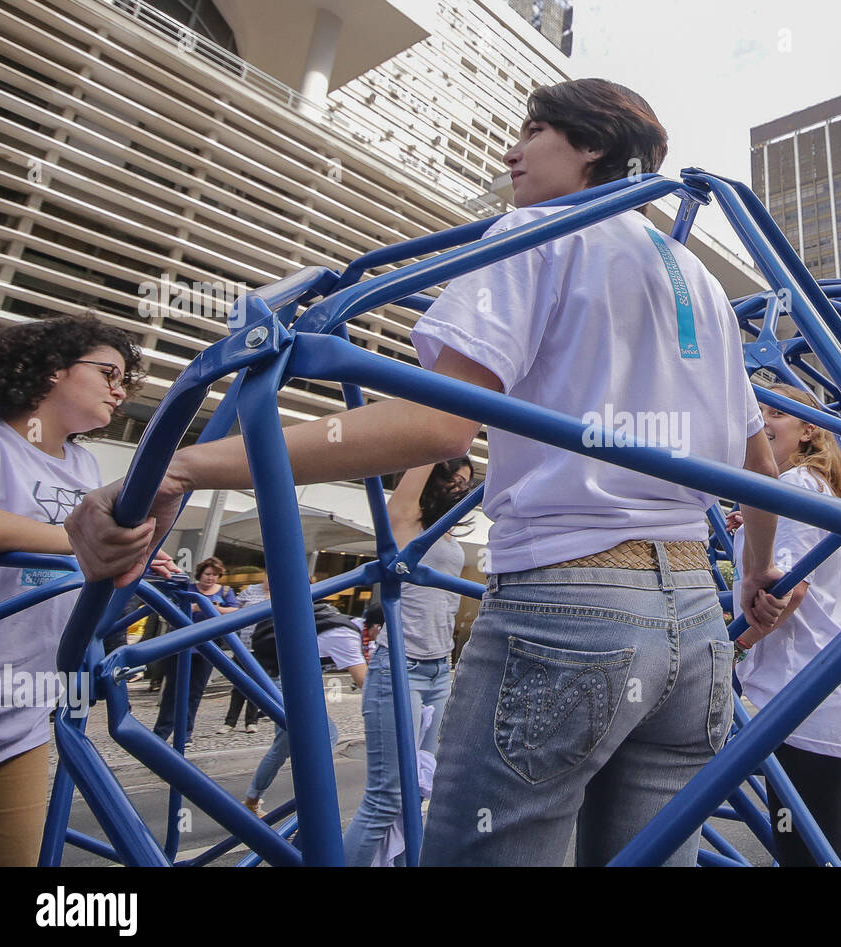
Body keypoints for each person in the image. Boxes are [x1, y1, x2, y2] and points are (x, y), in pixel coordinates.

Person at [64, 78, 787, 867]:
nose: (512, 150)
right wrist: (757, 573)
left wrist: (195, 462)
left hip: (570, 608)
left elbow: (437, 423)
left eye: (535, 130)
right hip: (694, 622)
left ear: (592, 147)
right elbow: (759, 466)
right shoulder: (703, 283)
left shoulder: (535, 232)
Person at [0, 313, 169, 865]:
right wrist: (76, 540)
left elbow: (85, 583)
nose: (121, 390)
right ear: (48, 370)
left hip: (22, 707)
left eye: (125, 381)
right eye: (108, 373)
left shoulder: (85, 463)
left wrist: (134, 568)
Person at [727, 385, 841, 866]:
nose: (763, 418)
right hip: (820, 685)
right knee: (815, 840)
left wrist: (734, 647)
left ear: (809, 430)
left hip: (798, 689)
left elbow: (789, 591)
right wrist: (747, 525)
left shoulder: (792, 488)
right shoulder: (815, 488)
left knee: (804, 848)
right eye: (760, 410)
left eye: (776, 412)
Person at [342, 457, 471, 865]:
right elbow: (426, 453)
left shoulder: (443, 532)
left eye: (467, 484)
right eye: (453, 481)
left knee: (415, 794)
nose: (460, 490)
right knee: (387, 797)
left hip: (438, 670)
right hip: (400, 667)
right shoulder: (405, 522)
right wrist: (448, 421)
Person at [242, 602, 368, 813]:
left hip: (287, 678)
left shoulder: (349, 626)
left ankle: (252, 801)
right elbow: (365, 682)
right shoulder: (346, 636)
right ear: (377, 627)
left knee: (281, 747)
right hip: (280, 679)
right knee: (326, 735)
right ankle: (312, 806)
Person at [152, 556, 238, 746]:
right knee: (172, 691)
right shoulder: (188, 589)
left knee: (195, 691)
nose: (211, 578)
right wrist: (196, 606)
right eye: (208, 574)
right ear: (201, 574)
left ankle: (185, 732)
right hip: (182, 645)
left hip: (207, 648)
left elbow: (235, 611)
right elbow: (172, 608)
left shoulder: (225, 592)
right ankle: (161, 732)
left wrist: (215, 609)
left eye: (215, 575)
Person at [219, 569, 270, 734]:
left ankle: (251, 721)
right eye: (268, 576)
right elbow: (237, 609)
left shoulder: (280, 593)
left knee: (257, 685)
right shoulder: (251, 590)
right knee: (238, 684)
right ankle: (230, 722)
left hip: (263, 647)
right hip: (243, 645)